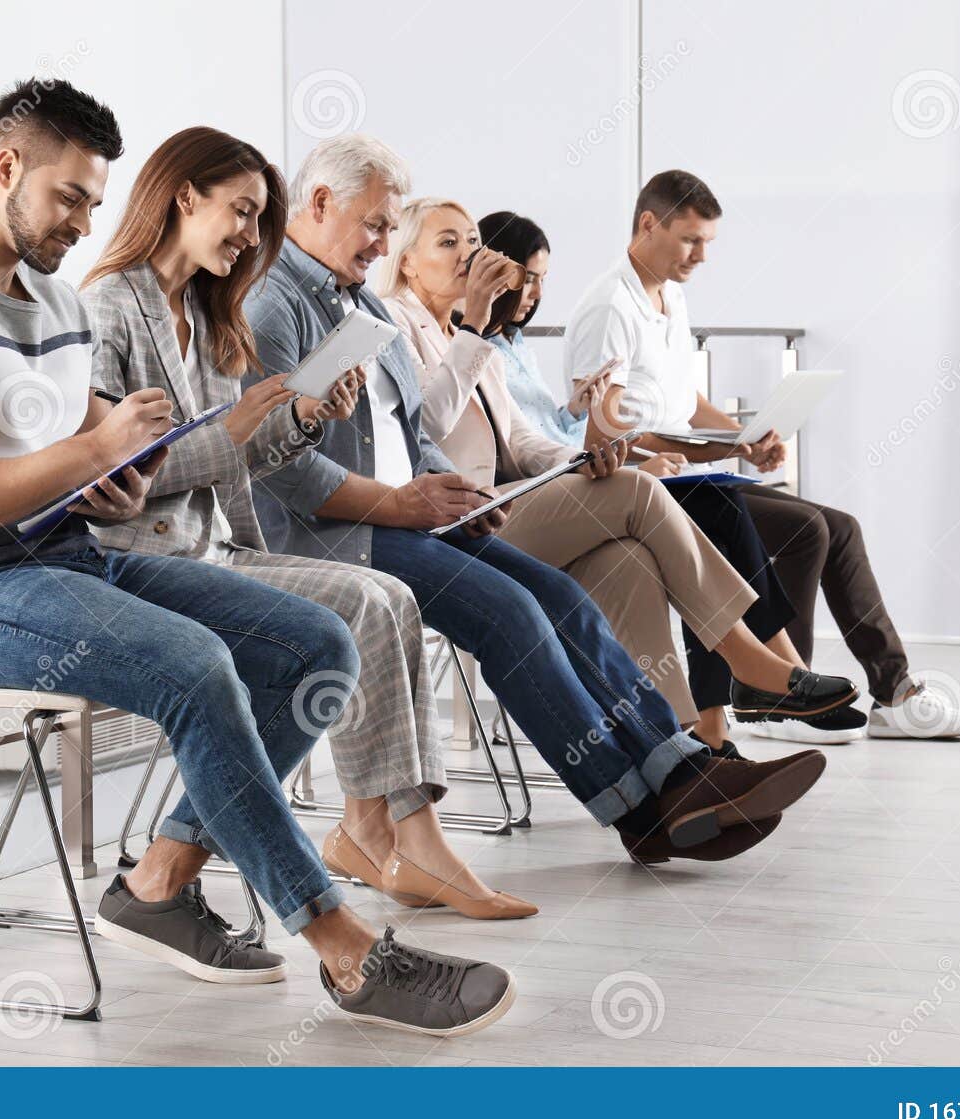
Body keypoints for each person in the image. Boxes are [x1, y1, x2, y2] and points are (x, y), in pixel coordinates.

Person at [0, 79, 514, 1037]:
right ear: (4, 168)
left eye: (95, 202)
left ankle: (158, 883)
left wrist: (103, 477)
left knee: (318, 643)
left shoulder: (50, 302)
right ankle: (346, 949)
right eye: (68, 197)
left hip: (68, 560)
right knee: (199, 666)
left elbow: (71, 454)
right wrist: (95, 453)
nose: (84, 221)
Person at [244, 133, 829, 867]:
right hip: (338, 533)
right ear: (321, 203)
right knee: (513, 614)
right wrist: (407, 504)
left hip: (413, 515)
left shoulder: (361, 306)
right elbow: (280, 473)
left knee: (564, 597)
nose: (383, 242)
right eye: (376, 225)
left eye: (391, 227)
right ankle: (637, 803)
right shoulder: (273, 308)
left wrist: (455, 493)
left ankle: (678, 766)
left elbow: (412, 434)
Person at [79, 127, 532, 920]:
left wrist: (306, 419)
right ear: (184, 197)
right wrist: (237, 434)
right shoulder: (108, 307)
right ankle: (378, 838)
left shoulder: (211, 312)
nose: (255, 237)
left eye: (262, 219)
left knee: (384, 593)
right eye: (243, 213)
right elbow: (110, 479)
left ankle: (402, 833)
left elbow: (240, 462)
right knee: (360, 604)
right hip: (136, 558)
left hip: (213, 548)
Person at [379, 197, 857, 747]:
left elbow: (520, 440)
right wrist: (478, 329)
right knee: (639, 488)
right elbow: (427, 424)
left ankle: (679, 744)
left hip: (505, 505)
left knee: (627, 560)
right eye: (447, 242)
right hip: (454, 523)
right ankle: (746, 658)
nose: (466, 253)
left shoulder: (464, 334)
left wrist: (579, 462)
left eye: (469, 240)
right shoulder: (399, 323)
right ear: (408, 261)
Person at [563, 170, 960, 743]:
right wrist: (716, 447)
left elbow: (681, 400)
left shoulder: (672, 295)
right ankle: (787, 697)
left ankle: (894, 695)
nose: (701, 256)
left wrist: (744, 435)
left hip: (687, 471)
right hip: (640, 487)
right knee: (804, 529)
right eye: (691, 239)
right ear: (648, 224)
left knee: (839, 527)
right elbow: (609, 428)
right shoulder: (608, 307)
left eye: (708, 243)